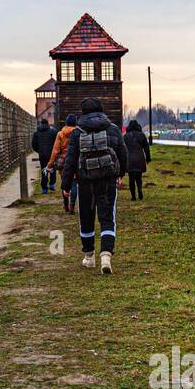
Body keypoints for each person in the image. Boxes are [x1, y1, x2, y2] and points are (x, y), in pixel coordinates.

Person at [63, 98, 128, 275]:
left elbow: (70, 160)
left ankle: (89, 256)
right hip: (107, 180)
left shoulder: (77, 133)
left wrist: (66, 185)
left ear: (82, 113)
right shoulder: (113, 129)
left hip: (85, 182)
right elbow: (123, 153)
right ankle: (106, 256)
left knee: (86, 217)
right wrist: (120, 174)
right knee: (107, 217)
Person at [46, 113, 79, 213]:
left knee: (65, 183)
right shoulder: (78, 133)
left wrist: (50, 164)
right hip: (76, 160)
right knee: (74, 183)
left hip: (63, 162)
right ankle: (72, 205)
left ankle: (66, 205)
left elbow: (55, 150)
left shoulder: (60, 134)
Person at [123, 118, 151, 200]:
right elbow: (146, 148)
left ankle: (133, 196)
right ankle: (140, 190)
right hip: (139, 158)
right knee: (139, 177)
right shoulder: (141, 135)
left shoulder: (126, 136)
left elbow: (123, 149)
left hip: (130, 159)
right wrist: (148, 158)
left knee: (131, 178)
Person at [30, 118, 57, 194]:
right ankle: (51, 184)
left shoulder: (36, 133)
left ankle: (44, 189)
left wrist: (39, 151)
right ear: (48, 123)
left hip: (42, 155)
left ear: (41, 124)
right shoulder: (53, 131)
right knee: (52, 168)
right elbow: (56, 143)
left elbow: (33, 145)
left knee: (44, 170)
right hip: (51, 154)